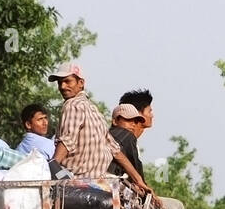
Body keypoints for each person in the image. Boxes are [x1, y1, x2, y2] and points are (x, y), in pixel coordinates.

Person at [48, 63, 151, 194]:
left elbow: (67, 140)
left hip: (79, 182)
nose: (62, 87)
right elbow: (115, 150)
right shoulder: (94, 110)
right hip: (99, 184)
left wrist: (52, 167)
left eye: (67, 81)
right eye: (60, 83)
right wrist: (138, 179)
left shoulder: (72, 105)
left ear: (81, 83)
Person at [107, 103, 145, 180]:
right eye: (128, 119)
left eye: (136, 121)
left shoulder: (105, 134)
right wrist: (144, 187)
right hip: (108, 182)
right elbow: (136, 166)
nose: (133, 124)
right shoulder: (127, 135)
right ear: (115, 121)